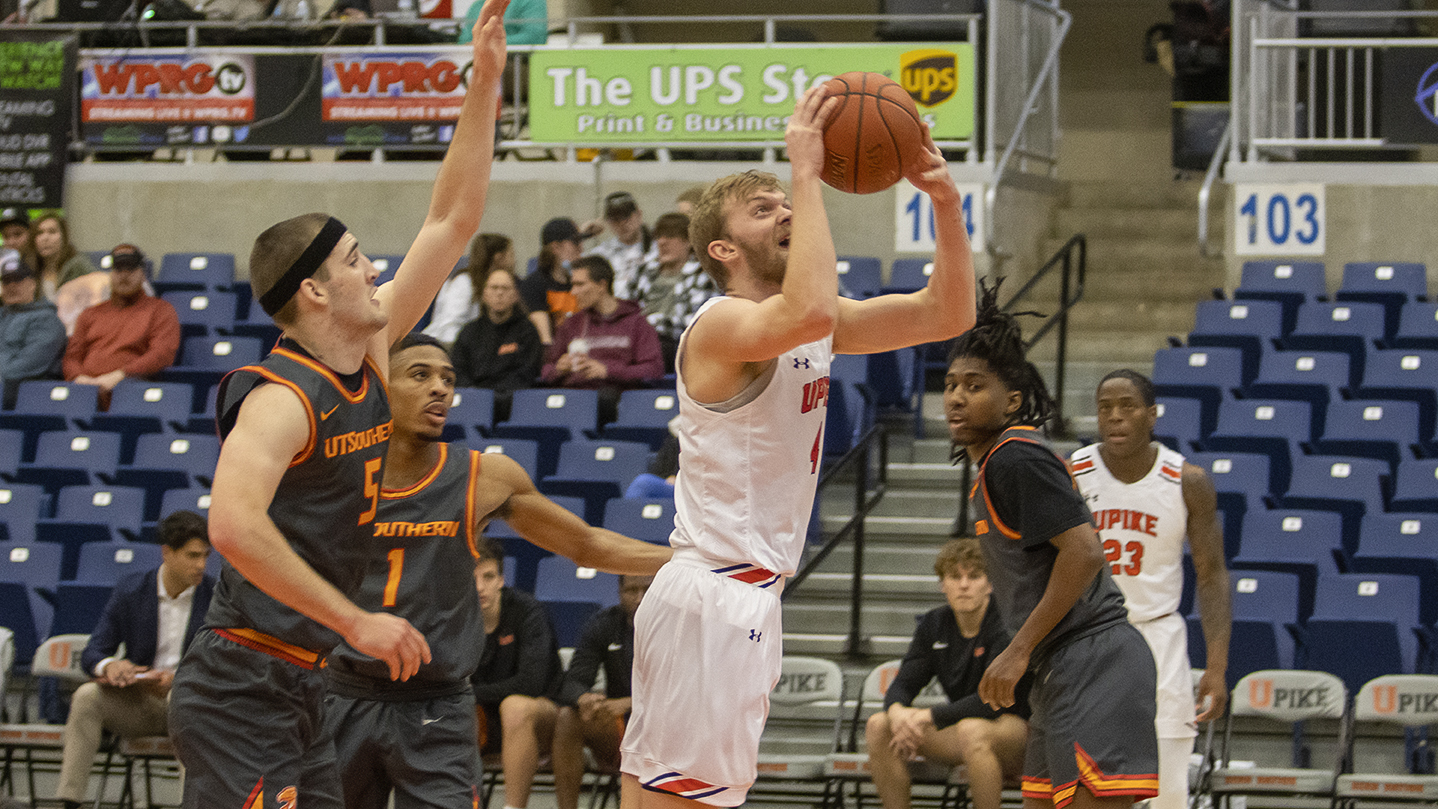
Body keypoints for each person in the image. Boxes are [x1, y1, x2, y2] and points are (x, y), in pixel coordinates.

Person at [166, 2, 510, 806]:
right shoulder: (282, 400)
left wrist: (485, 83)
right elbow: (231, 526)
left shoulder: (372, 353)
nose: (375, 267)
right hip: (239, 683)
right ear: (316, 291)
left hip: (306, 684)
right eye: (357, 260)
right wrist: (355, 621)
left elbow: (451, 219)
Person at [619, 85, 976, 809]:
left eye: (785, 202)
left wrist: (944, 201)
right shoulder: (721, 325)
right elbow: (809, 307)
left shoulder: (811, 321)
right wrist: (807, 174)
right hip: (714, 595)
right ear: (722, 249)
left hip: (742, 596)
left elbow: (948, 313)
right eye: (763, 209)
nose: (784, 211)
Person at [323, 334, 670, 809]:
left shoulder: (484, 476)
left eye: (448, 379)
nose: (440, 388)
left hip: (437, 703)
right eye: (420, 375)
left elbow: (586, 544)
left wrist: (688, 559)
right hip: (344, 692)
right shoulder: (335, 472)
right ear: (380, 386)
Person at [946, 282, 1159, 809]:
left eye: (974, 385)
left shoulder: (1016, 457)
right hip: (1059, 668)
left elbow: (1084, 553)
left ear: (1012, 401)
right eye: (950, 385)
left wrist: (1017, 650)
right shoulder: (996, 464)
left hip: (1094, 660)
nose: (956, 396)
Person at [1071, 369, 1231, 809]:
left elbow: (1212, 574)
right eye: (1105, 408)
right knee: (1086, 789)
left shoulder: (1187, 480)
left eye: (1127, 407)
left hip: (1157, 636)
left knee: (1169, 791)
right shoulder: (1073, 474)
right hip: (1091, 638)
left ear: (1152, 414)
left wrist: (1217, 667)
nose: (1115, 416)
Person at [55, 511, 214, 809]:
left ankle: (192, 804)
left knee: (183, 698)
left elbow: (224, 664)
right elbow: (93, 651)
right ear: (167, 552)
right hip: (140, 703)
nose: (201, 565)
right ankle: (69, 801)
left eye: (205, 556)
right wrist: (110, 665)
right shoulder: (132, 590)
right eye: (193, 556)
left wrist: (180, 680)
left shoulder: (215, 597)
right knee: (87, 696)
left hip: (192, 705)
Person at [866, 538, 1028, 809]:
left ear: (990, 584)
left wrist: (927, 715)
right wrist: (897, 713)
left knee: (972, 730)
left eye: (974, 577)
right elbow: (904, 684)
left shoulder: (1005, 624)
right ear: (943, 585)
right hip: (962, 729)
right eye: (955, 577)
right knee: (878, 725)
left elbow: (991, 701)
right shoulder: (934, 624)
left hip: (1017, 730)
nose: (964, 585)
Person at [471, 538, 563, 809]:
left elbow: (530, 684)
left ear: (501, 579)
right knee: (451, 709)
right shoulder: (456, 618)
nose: (480, 587)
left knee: (514, 707)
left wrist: (471, 694)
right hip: (484, 715)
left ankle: (513, 807)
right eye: (472, 578)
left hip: (543, 714)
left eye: (488, 577)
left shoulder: (528, 612)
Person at [552, 575, 652, 809]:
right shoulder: (605, 623)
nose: (639, 598)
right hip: (619, 726)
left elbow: (687, 693)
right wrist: (584, 698)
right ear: (619, 593)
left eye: (647, 590)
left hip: (666, 729)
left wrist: (631, 703)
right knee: (568, 717)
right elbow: (573, 681)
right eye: (631, 590)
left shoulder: (680, 626)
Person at [540, 255, 664, 423]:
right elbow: (546, 370)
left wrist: (607, 371)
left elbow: (653, 370)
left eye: (580, 284)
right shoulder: (572, 324)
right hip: (574, 399)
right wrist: (559, 369)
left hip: (617, 401)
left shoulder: (637, 323)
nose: (573, 292)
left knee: (605, 399)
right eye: (573, 285)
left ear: (602, 285)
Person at [62, 244, 180, 408]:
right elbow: (72, 357)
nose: (124, 275)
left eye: (130, 269)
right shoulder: (90, 314)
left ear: (142, 273)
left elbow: (162, 353)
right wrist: (80, 378)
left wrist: (120, 375)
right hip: (84, 394)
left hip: (131, 394)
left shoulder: (160, 310)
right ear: (110, 274)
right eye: (118, 269)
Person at [629, 212, 717, 373]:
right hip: (640, 342)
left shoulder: (702, 276)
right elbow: (628, 310)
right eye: (659, 237)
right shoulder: (644, 272)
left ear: (689, 241)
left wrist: (651, 327)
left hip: (676, 344)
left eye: (670, 236)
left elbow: (695, 325)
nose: (662, 242)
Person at [452, 264, 542, 418]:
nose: (499, 293)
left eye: (505, 288)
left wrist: (492, 397)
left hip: (511, 404)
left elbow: (527, 373)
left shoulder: (528, 332)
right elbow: (458, 370)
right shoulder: (469, 332)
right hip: (472, 403)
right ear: (484, 294)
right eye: (494, 288)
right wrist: (475, 395)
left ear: (515, 295)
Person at [424, 233, 516, 346]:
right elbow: (450, 326)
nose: (514, 261)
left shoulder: (498, 285)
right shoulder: (463, 282)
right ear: (499, 257)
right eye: (511, 255)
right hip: (444, 344)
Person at [0, 249, 65, 408]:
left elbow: (26, 365)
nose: (11, 285)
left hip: (24, 398)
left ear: (32, 284)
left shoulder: (47, 320)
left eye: (18, 279)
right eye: (7, 281)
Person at [520, 217, 583, 345]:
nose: (581, 248)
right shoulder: (534, 285)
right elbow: (545, 340)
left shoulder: (584, 282)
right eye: (576, 242)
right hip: (554, 352)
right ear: (556, 248)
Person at [586, 191, 653, 300]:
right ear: (608, 222)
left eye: (626, 217)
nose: (622, 223)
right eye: (615, 219)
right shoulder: (602, 254)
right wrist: (581, 236)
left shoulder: (656, 247)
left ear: (639, 215)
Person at [31, 214, 98, 302]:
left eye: (52, 232)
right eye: (40, 233)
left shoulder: (77, 265)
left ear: (64, 237)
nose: (45, 238)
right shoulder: (32, 270)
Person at [459, 0, 546, 44]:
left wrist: (490, 43)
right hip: (479, 64)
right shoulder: (477, 6)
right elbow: (464, 40)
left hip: (521, 66)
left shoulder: (530, 1)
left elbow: (535, 37)